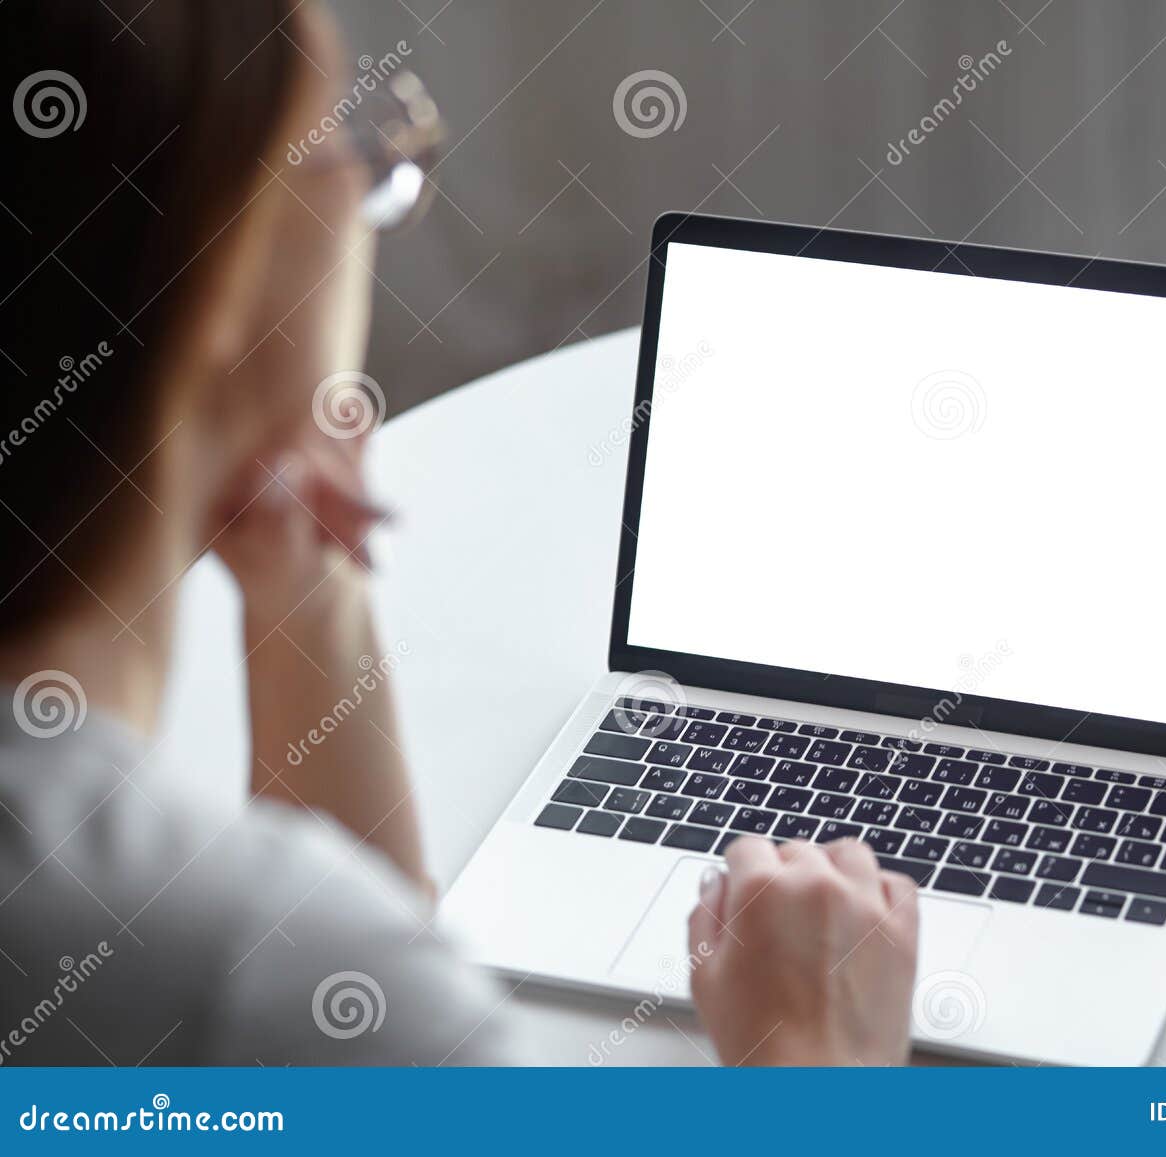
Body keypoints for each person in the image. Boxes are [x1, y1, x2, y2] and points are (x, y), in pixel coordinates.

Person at [0, 0, 917, 1065]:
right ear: (226, 288)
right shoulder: (215, 954)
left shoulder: (256, 959)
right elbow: (330, 996)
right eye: (360, 147)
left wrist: (306, 595)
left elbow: (340, 1009)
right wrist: (815, 1064)